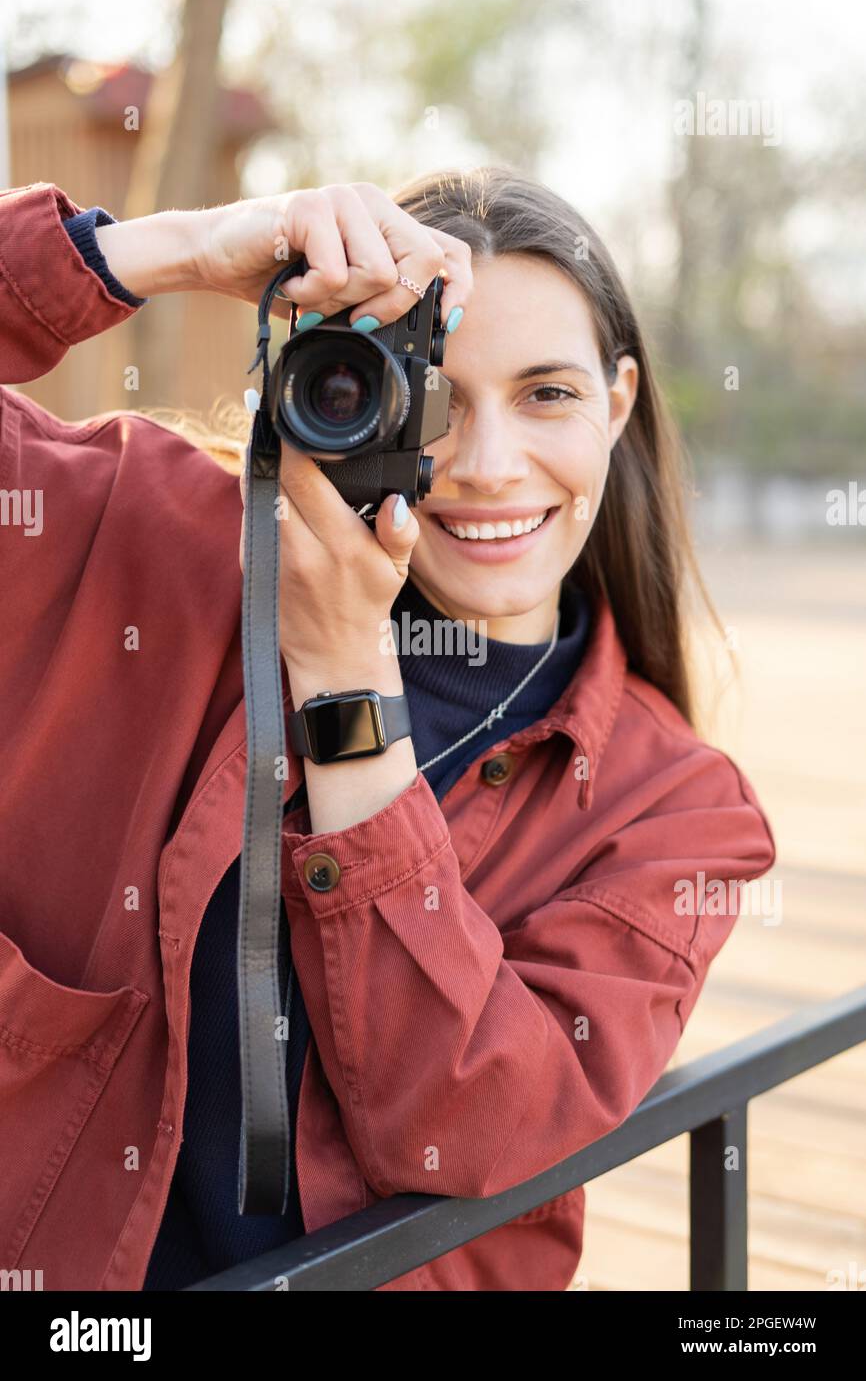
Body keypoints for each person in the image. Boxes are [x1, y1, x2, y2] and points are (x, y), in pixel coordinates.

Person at [0, 166, 775, 1292]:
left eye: (547, 393)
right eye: (431, 391)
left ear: (616, 401)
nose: (487, 463)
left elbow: (471, 1127)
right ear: (325, 381)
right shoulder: (142, 536)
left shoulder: (674, 809)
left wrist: (343, 676)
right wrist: (174, 249)